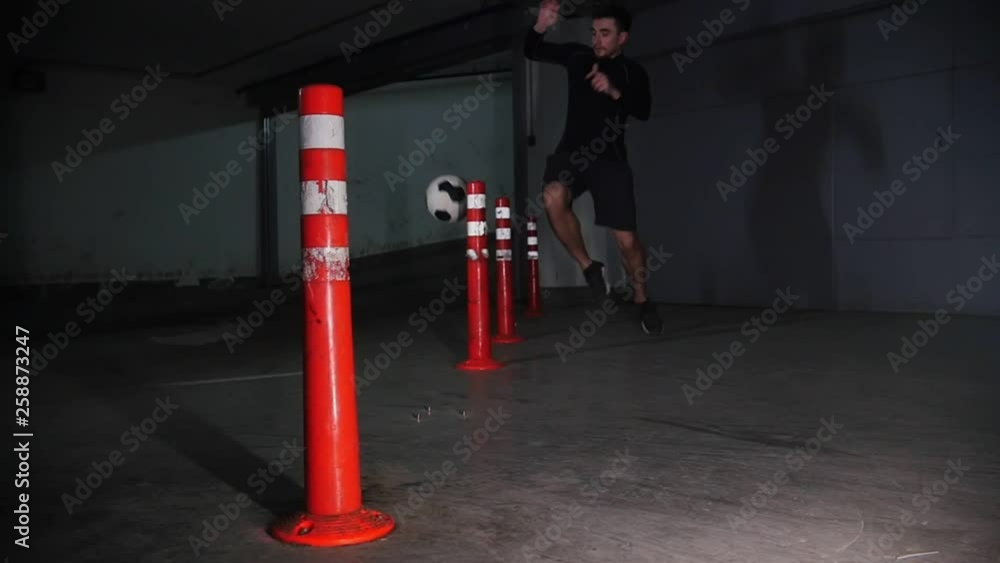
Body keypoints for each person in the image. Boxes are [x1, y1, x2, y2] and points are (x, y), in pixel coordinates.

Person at [524, 0, 661, 335]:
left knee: (627, 243)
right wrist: (541, 24)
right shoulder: (578, 56)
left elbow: (643, 110)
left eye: (605, 33)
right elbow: (532, 50)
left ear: (622, 38)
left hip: (609, 159)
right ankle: (589, 267)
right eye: (594, 32)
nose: (597, 40)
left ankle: (642, 299)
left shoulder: (632, 72)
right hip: (571, 154)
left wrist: (614, 91)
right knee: (552, 196)